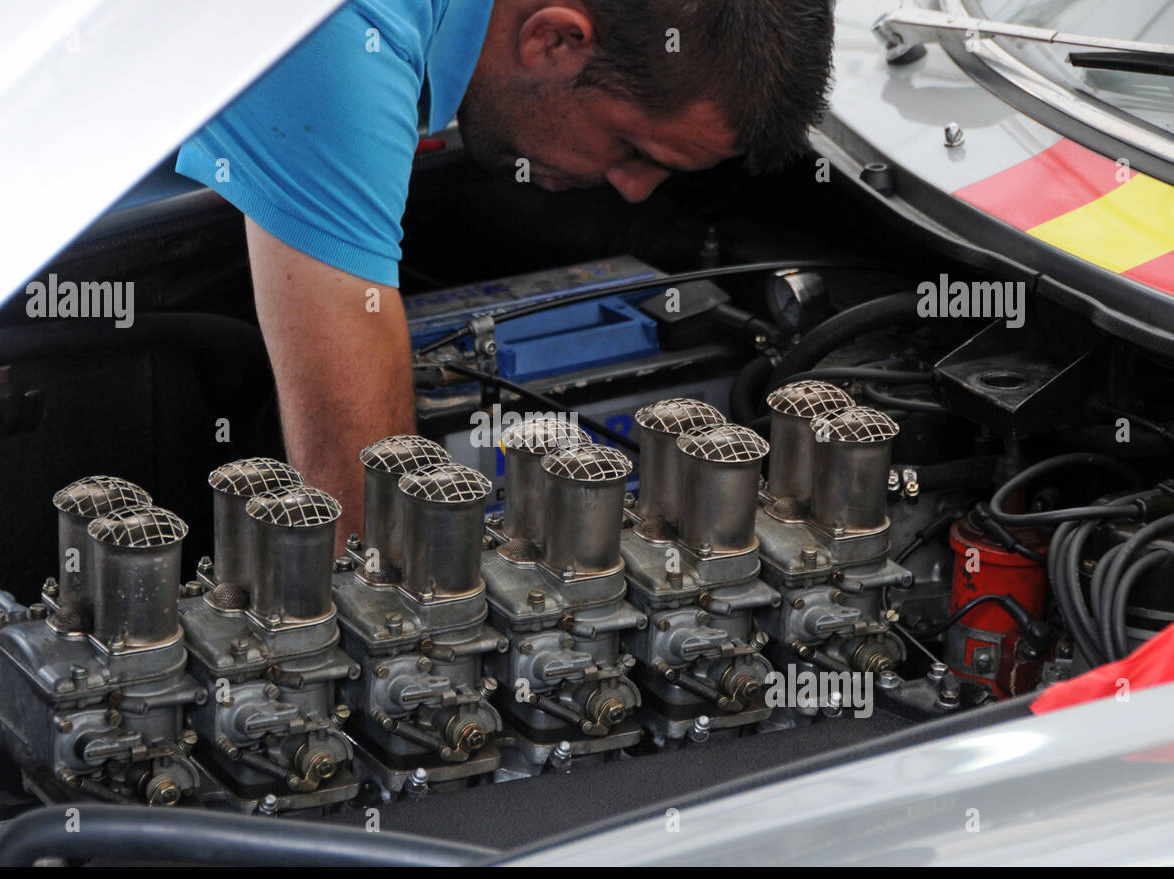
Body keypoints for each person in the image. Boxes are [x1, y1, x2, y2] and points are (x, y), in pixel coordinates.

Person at [176, 0, 834, 531]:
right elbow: (358, 507)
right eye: (631, 148)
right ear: (551, 40)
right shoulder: (339, 34)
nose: (634, 191)